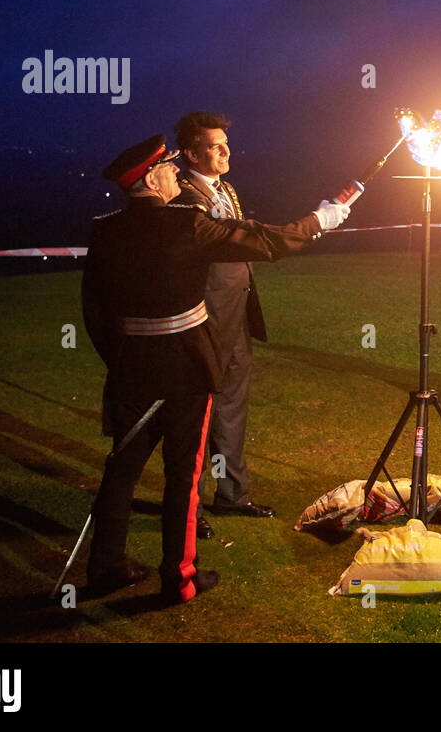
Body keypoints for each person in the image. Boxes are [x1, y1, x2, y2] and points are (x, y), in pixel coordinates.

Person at [81, 133, 349, 603]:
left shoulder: (104, 230)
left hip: (130, 370)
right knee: (183, 476)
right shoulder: (188, 223)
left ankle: (105, 567)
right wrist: (318, 222)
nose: (172, 174)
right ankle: (179, 580)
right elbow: (262, 241)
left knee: (120, 471)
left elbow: (96, 314)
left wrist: (125, 359)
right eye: (165, 169)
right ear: (150, 179)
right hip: (186, 366)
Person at [173, 112, 273, 538]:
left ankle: (232, 495)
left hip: (237, 318)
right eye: (216, 146)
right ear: (193, 152)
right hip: (207, 319)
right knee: (199, 413)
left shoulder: (225, 188)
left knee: (232, 408)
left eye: (226, 143)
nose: (226, 151)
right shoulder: (183, 195)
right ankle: (188, 511)